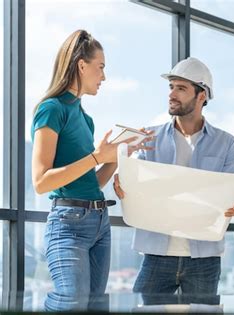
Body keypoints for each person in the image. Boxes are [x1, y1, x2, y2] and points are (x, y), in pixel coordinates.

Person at [31, 30, 148, 311]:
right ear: (82, 65)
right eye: (101, 67)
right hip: (68, 225)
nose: (104, 77)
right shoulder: (51, 109)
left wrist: (116, 156)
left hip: (99, 222)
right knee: (70, 304)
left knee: (95, 307)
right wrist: (97, 155)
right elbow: (41, 181)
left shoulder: (86, 119)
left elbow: (90, 182)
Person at [113, 57, 234, 300]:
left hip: (204, 259)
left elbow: (231, 193)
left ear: (201, 95)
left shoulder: (226, 143)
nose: (172, 94)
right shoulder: (148, 138)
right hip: (156, 255)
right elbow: (133, 184)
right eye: (171, 87)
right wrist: (122, 182)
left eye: (181, 88)